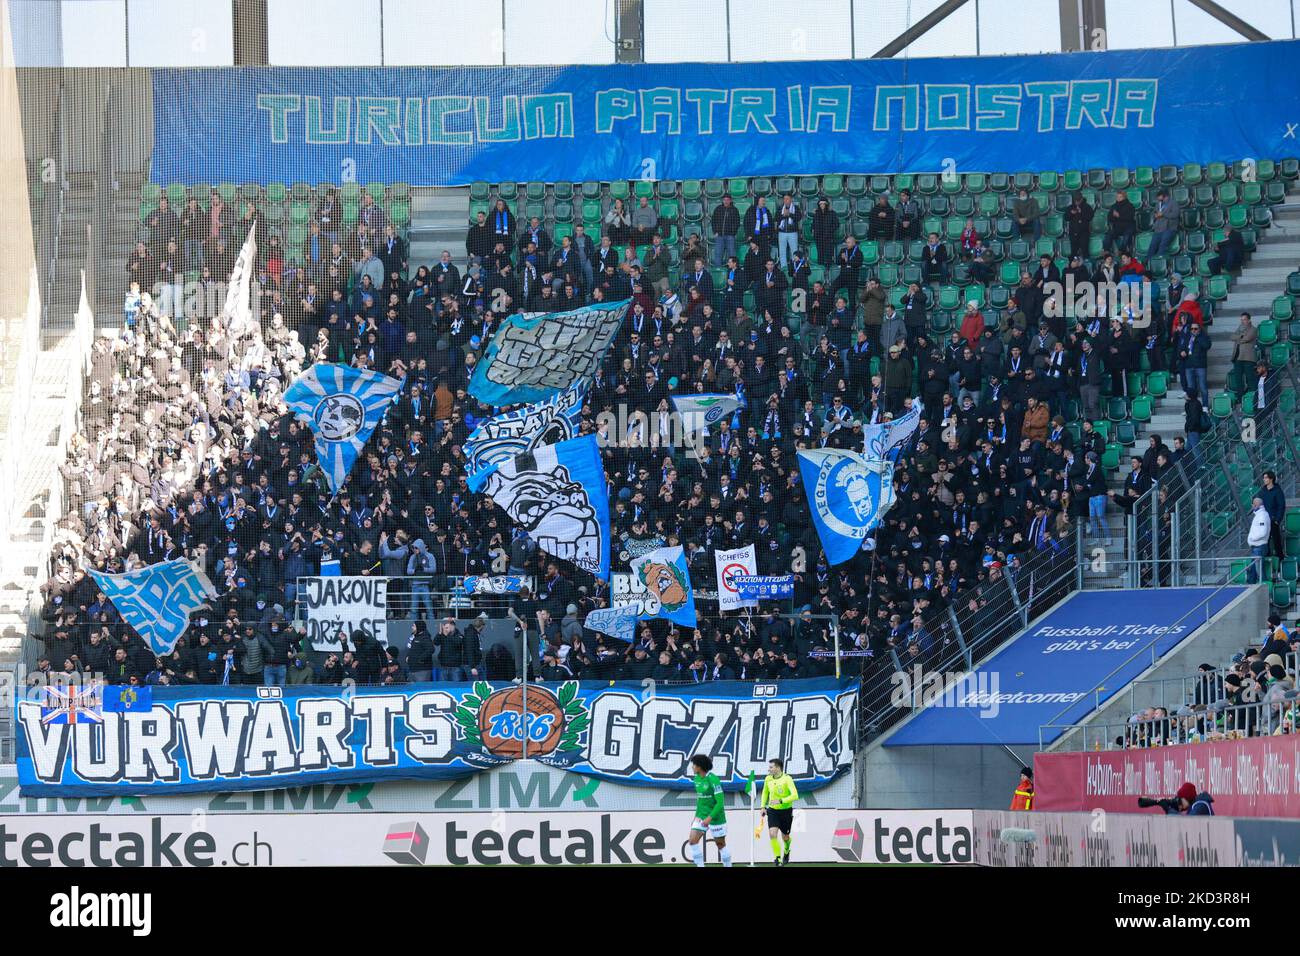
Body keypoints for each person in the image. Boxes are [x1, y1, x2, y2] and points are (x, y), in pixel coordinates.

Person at [686, 753, 730, 867]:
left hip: (716, 817)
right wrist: (696, 816)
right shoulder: (696, 779)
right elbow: (700, 800)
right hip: (701, 815)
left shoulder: (713, 779)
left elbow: (720, 803)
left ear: (700, 767)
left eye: (694, 765)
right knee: (692, 841)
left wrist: (709, 818)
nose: (692, 767)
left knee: (720, 844)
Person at [759, 757, 800, 865]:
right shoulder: (768, 779)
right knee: (772, 834)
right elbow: (765, 793)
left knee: (785, 837)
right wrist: (763, 806)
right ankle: (777, 857)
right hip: (772, 811)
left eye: (771, 767)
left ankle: (786, 851)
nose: (769, 769)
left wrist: (781, 801)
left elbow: (795, 795)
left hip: (786, 811)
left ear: (778, 768)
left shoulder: (787, 779)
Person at [1138, 781, 1214, 815]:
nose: (1179, 802)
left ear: (1187, 798)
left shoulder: (1200, 804)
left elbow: (1187, 823)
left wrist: (1168, 809)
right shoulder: (1194, 805)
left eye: (1181, 799)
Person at [1247, 496, 1271, 583]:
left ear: (1256, 505)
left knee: (1259, 571)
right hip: (1256, 547)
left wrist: (1252, 538)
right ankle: (1250, 586)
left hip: (1259, 547)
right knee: (1253, 571)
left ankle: (1265, 587)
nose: (1252, 506)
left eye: (1253, 504)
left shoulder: (1262, 516)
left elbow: (1263, 532)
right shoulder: (1259, 515)